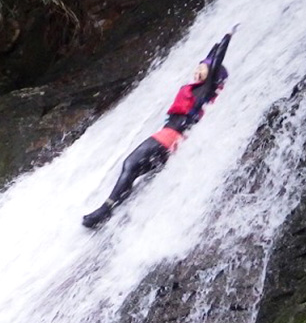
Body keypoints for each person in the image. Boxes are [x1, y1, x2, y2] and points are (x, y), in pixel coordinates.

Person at [82, 28, 234, 228]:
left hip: (169, 137)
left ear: (211, 74)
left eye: (202, 70)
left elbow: (214, 61)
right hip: (172, 142)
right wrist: (212, 49)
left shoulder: (206, 88)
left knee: (130, 163)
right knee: (134, 172)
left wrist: (227, 37)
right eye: (197, 68)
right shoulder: (199, 88)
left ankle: (105, 210)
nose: (197, 71)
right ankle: (110, 210)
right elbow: (209, 59)